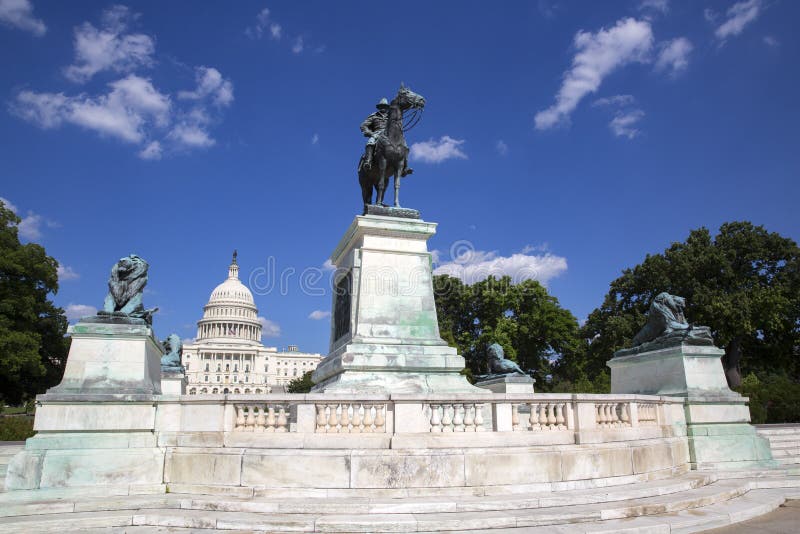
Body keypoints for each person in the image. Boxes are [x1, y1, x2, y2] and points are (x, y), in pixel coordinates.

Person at [360, 98, 390, 170]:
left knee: (402, 143)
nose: (383, 108)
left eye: (385, 106)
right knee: (370, 142)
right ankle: (368, 161)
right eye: (382, 106)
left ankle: (404, 166)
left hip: (389, 134)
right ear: (379, 107)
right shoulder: (374, 116)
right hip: (377, 133)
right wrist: (371, 133)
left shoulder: (391, 116)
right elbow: (363, 125)